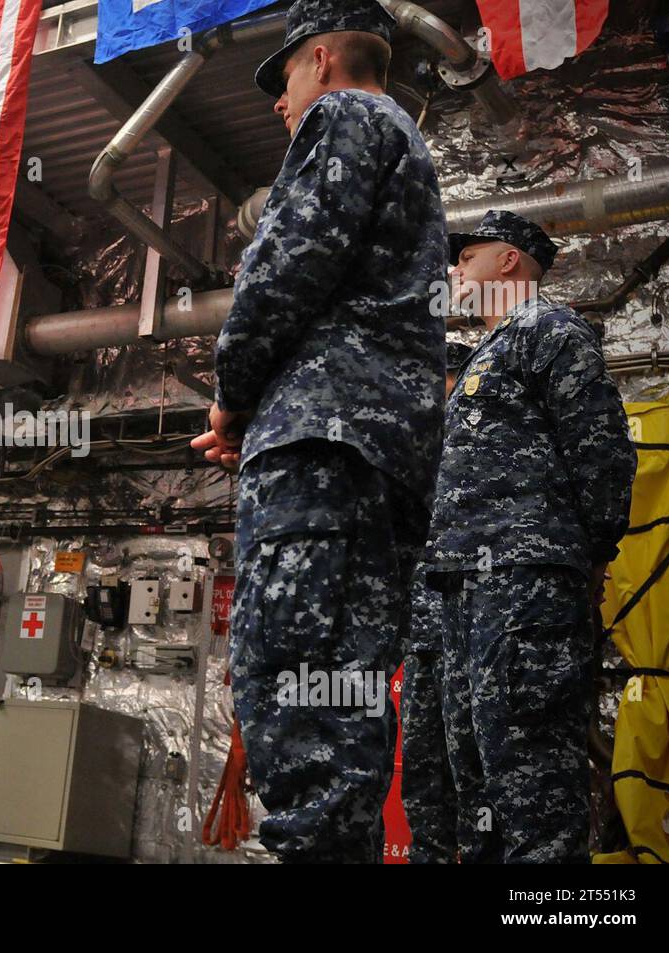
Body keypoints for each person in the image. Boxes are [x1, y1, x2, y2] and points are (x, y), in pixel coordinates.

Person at [191, 0, 447, 862]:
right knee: (346, 699)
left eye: (287, 75)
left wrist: (231, 396)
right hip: (376, 459)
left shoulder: (343, 115)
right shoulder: (405, 142)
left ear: (326, 59)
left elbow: (286, 262)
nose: (278, 103)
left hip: (322, 452)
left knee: (294, 693)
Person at [428, 209, 637, 863]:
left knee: (533, 780)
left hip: (526, 581)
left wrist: (588, 557)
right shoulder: (484, 355)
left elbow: (601, 451)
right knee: (480, 787)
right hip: (469, 585)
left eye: (468, 254)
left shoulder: (546, 330)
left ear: (509, 259)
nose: (456, 267)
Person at [399, 342, 471, 863]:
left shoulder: (486, 461)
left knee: (485, 778)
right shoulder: (415, 461)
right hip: (423, 643)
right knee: (424, 784)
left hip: (477, 639)